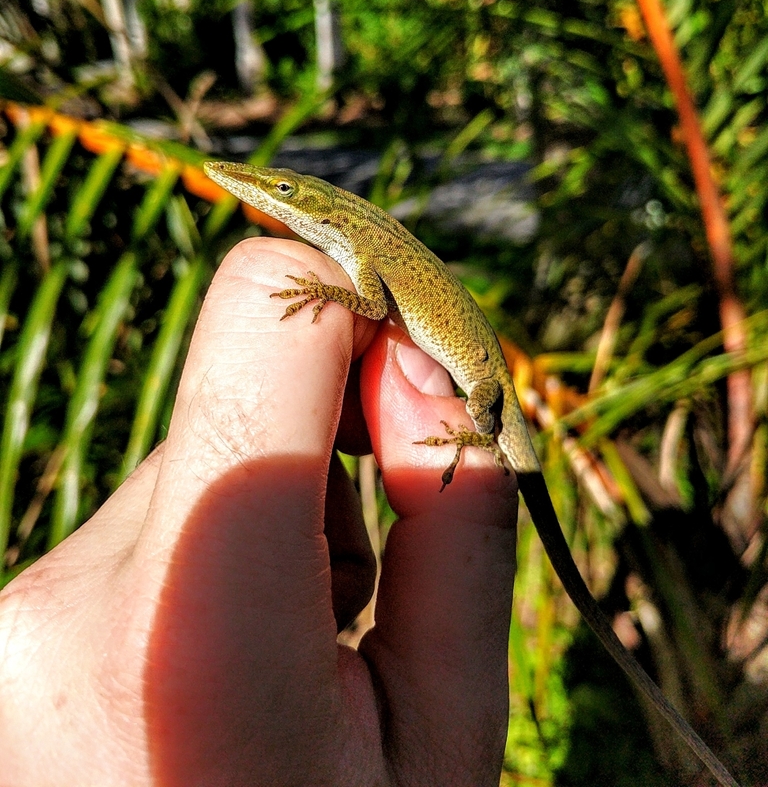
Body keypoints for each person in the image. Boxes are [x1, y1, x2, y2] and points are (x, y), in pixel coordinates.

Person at [0, 238, 518, 787]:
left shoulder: (372, 261)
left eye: (285, 193)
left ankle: (477, 435)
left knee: (482, 430)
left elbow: (369, 306)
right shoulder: (370, 251)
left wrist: (322, 291)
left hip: (486, 391)